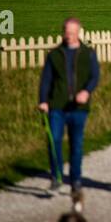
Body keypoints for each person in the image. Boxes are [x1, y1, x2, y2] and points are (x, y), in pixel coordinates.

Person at [37, 17, 100, 195]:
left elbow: (95, 77)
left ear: (78, 32)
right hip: (57, 106)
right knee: (54, 140)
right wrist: (43, 100)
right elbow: (46, 80)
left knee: (76, 145)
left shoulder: (88, 53)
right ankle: (56, 177)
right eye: (67, 32)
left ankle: (76, 180)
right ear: (62, 32)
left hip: (79, 109)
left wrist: (86, 91)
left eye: (73, 33)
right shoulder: (54, 55)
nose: (69, 36)